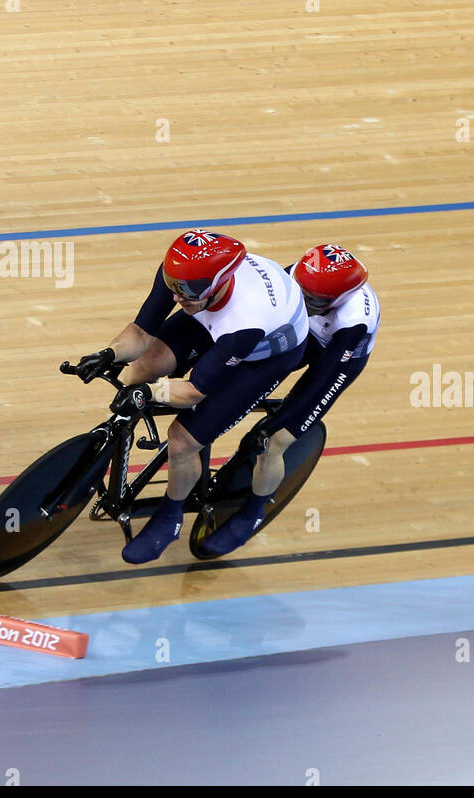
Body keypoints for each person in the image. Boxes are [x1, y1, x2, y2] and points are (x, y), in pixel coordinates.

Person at [71, 229, 309, 563]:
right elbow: (141, 333)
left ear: (221, 281)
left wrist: (151, 392)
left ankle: (170, 517)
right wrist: (109, 354)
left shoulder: (246, 317)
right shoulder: (185, 276)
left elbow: (194, 390)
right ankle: (116, 439)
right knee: (143, 366)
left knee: (182, 441)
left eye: (188, 289)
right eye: (174, 286)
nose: (177, 296)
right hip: (211, 316)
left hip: (261, 356)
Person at [199, 243, 381, 556]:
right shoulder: (301, 275)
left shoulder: (354, 320)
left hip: (337, 355)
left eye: (315, 300)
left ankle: (254, 512)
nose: (304, 300)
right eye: (302, 291)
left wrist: (283, 423)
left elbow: (322, 379)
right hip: (297, 331)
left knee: (274, 440)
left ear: (339, 300)